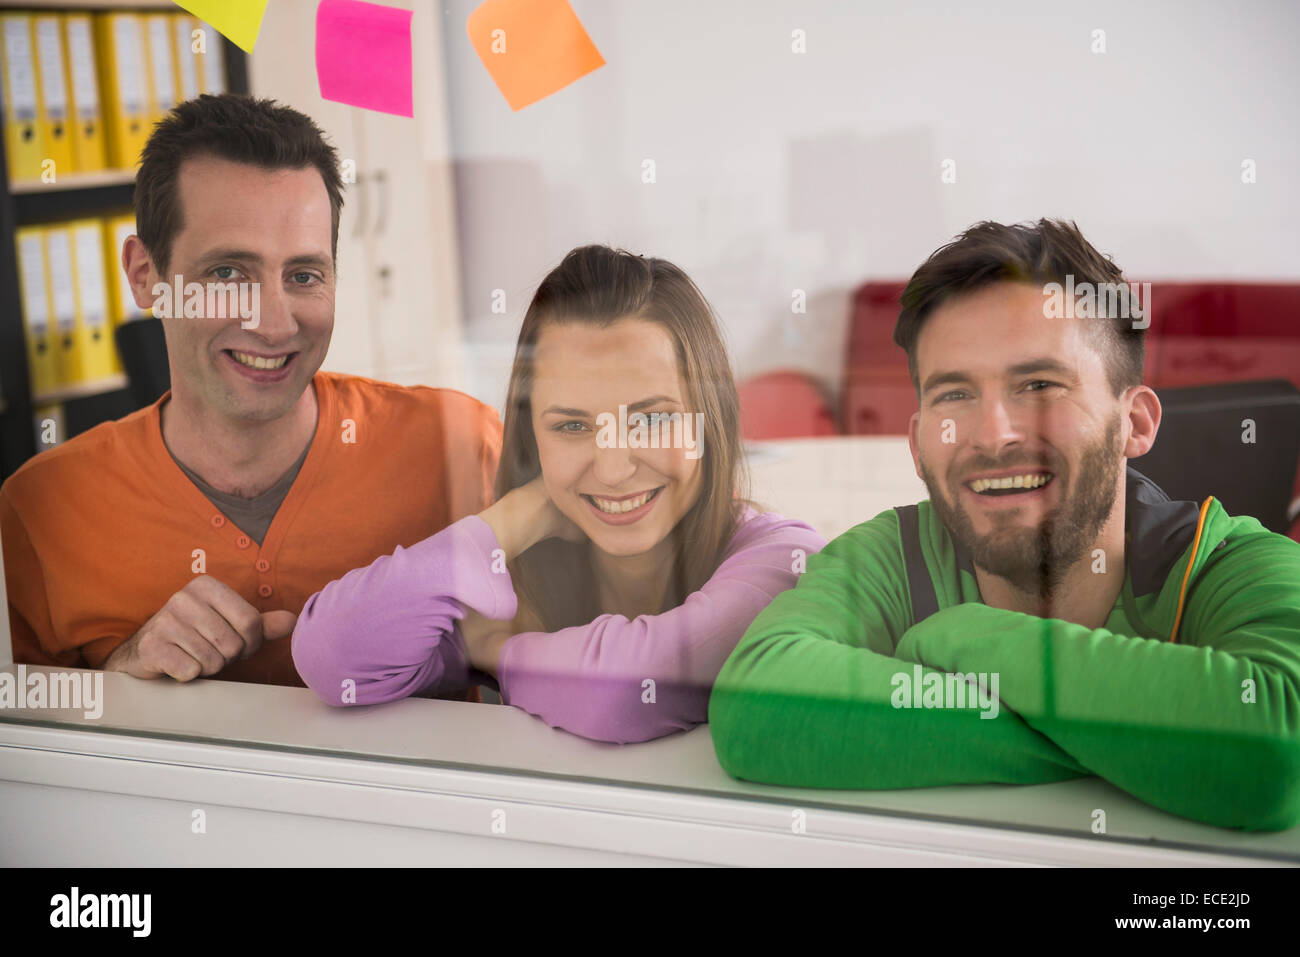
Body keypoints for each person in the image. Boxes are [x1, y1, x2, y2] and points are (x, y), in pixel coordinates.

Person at [708, 219, 1300, 831]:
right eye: (955, 395)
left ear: (1136, 423)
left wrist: (967, 636)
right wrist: (1141, 746)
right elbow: (757, 706)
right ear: (917, 444)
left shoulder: (1232, 563)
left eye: (1039, 385)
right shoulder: (890, 556)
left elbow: (1279, 752)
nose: (994, 435)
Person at [0, 94, 500, 694]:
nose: (273, 324)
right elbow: (30, 755)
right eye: (227, 273)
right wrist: (122, 678)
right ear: (146, 277)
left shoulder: (460, 445)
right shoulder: (39, 509)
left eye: (304, 275)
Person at [292, 245, 826, 742]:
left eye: (652, 420)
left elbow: (626, 693)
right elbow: (334, 657)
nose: (614, 469)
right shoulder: (514, 582)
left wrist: (498, 655)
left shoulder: (784, 560)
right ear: (531, 439)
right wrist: (505, 525)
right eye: (571, 427)